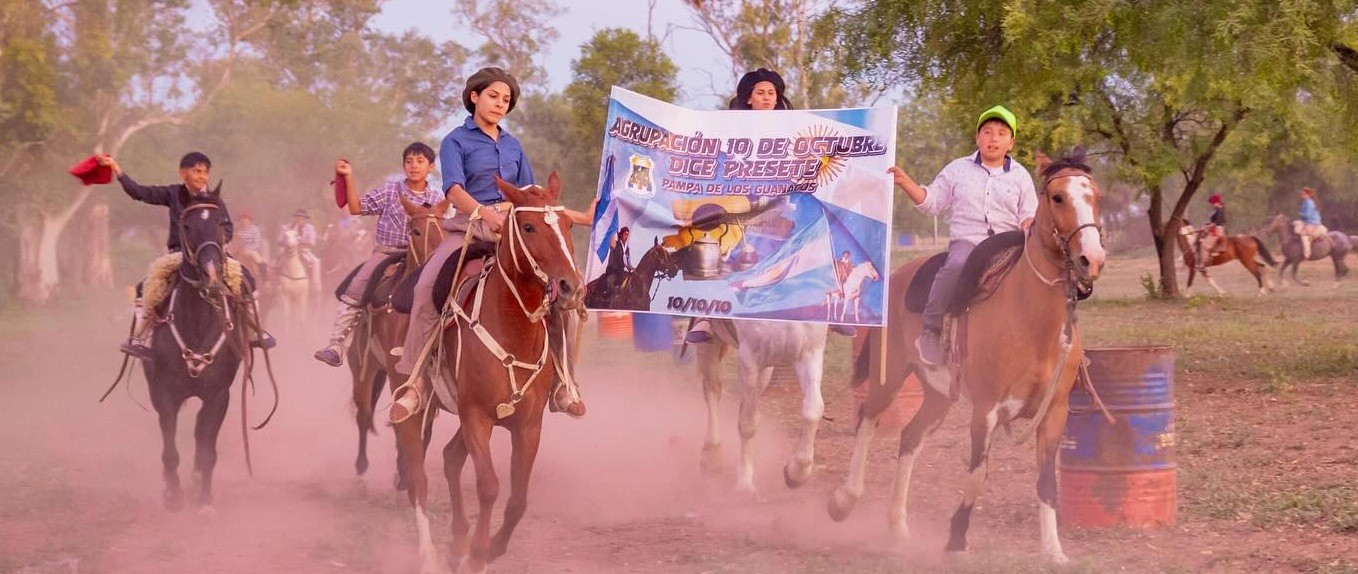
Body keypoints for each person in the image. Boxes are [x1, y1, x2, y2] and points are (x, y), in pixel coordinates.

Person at [391, 67, 596, 423]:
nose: (501, 104)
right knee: (426, 288)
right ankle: (415, 381)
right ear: (474, 96)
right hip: (468, 229)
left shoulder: (514, 144)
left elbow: (534, 196)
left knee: (563, 293)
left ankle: (564, 381)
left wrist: (579, 216)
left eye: (506, 100)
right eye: (493, 96)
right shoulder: (456, 140)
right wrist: (484, 214)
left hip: (514, 234)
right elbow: (453, 189)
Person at [685, 68, 856, 343]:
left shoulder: (795, 132)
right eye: (761, 93)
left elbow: (811, 163)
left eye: (771, 94)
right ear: (749, 99)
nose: (767, 99)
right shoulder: (728, 132)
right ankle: (704, 315)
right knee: (718, 244)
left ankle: (828, 311)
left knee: (818, 234)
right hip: (744, 209)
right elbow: (716, 168)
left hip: (783, 209)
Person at [888, 104, 1038, 366]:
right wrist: (905, 182)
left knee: (1039, 276)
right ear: (977, 137)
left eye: (1001, 133)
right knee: (956, 265)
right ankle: (930, 331)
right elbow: (932, 202)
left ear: (1011, 143)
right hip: (968, 242)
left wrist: (1027, 223)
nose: (993, 138)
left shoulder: (1020, 176)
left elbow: (1029, 213)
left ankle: (1047, 334)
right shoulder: (958, 169)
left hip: (1008, 244)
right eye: (988, 132)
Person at [96, 152, 275, 358]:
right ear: (183, 173)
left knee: (246, 279)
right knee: (145, 286)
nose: (202, 176)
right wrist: (116, 169)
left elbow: (227, 229)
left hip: (212, 254)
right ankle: (140, 337)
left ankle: (254, 331)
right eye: (196, 171)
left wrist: (215, 243)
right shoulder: (172, 193)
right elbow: (138, 192)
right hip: (179, 255)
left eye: (205, 172)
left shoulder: (215, 200)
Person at [313, 143, 444, 367]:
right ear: (403, 166)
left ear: (430, 167)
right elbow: (355, 208)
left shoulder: (437, 196)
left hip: (426, 256)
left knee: (450, 287)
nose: (414, 166)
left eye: (420, 161)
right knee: (358, 285)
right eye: (409, 161)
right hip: (389, 252)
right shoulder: (388, 191)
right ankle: (337, 345)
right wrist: (348, 178)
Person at [279, 208, 322, 293]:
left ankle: (315, 286)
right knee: (277, 263)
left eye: (302, 218)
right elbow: (279, 239)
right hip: (289, 251)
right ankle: (278, 284)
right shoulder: (287, 227)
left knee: (316, 262)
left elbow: (312, 241)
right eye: (298, 217)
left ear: (305, 219)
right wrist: (285, 241)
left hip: (304, 250)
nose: (299, 219)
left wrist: (299, 241)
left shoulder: (309, 228)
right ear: (294, 218)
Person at [233, 212, 269, 280]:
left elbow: (257, 243)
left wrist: (247, 249)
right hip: (239, 251)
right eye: (242, 220)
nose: (243, 221)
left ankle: (264, 276)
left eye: (245, 220)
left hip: (251, 250)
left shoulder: (254, 229)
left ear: (249, 221)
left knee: (257, 258)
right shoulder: (238, 230)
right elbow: (235, 241)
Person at [1197, 194, 1228, 267]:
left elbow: (1218, 221)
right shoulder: (1216, 210)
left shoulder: (1220, 210)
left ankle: (1203, 264)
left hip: (1218, 229)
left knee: (1204, 244)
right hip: (1214, 228)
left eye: (1213, 203)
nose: (1212, 205)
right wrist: (1206, 225)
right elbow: (1211, 221)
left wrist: (1210, 225)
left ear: (1217, 202)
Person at [1295, 186, 1327, 259]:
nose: (1302, 195)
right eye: (1301, 194)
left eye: (1303, 194)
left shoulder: (1309, 203)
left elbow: (1308, 215)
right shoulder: (1305, 202)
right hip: (1307, 221)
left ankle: (1307, 254)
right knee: (1295, 225)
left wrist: (1301, 214)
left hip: (1312, 223)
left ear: (1307, 194)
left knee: (1304, 236)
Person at [604, 226, 634, 294]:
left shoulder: (627, 249)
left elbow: (629, 264)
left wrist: (634, 269)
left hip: (621, 272)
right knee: (610, 283)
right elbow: (611, 239)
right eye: (625, 234)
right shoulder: (615, 244)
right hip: (612, 271)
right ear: (621, 234)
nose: (626, 237)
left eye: (627, 235)